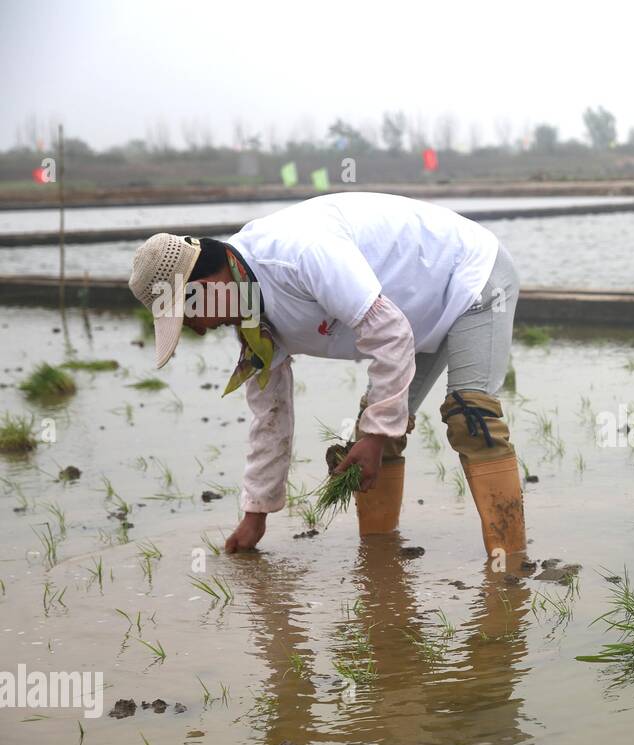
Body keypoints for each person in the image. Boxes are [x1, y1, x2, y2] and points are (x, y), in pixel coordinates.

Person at [127, 192, 525, 558]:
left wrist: (375, 433)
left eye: (189, 315)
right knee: (372, 440)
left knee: (472, 418)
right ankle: (379, 560)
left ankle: (510, 566)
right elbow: (270, 414)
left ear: (205, 287)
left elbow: (388, 333)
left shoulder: (297, 255)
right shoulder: (250, 313)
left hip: (469, 275)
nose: (195, 329)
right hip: (409, 311)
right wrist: (256, 513)